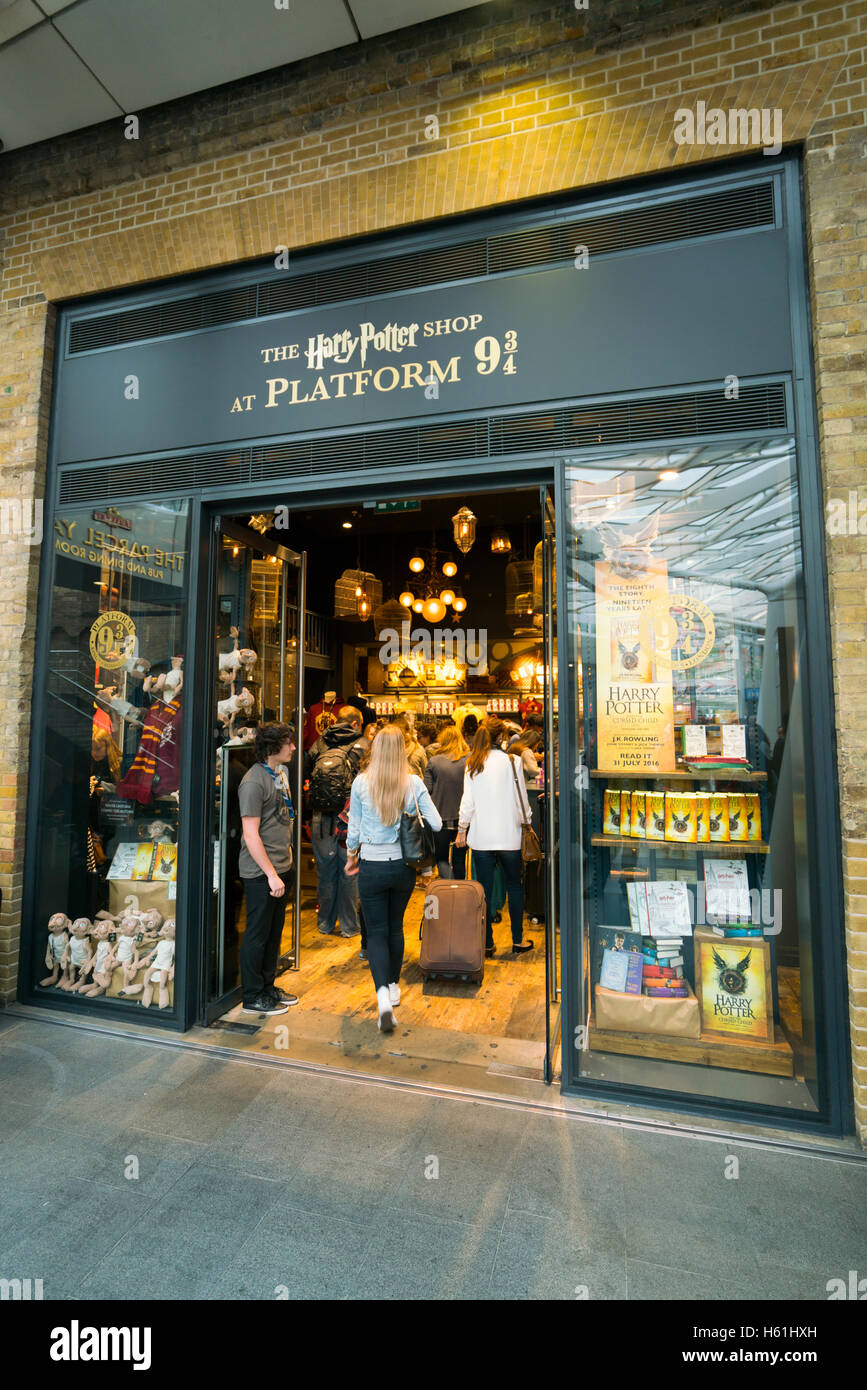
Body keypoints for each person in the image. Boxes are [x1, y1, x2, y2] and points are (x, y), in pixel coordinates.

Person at [346, 724, 441, 1032]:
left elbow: (354, 830)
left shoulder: (361, 783)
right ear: (403, 749)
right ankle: (394, 985)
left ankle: (383, 997)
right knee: (395, 927)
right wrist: (415, 812)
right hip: (402, 866)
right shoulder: (412, 782)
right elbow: (438, 825)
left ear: (376, 749)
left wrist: (351, 856)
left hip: (371, 865)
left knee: (375, 932)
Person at [456, 718, 534, 957]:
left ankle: (488, 943)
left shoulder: (473, 763)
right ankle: (518, 940)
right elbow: (521, 796)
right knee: (514, 886)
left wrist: (462, 828)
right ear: (501, 737)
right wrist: (527, 822)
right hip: (509, 834)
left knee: (485, 890)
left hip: (481, 838)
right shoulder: (514, 761)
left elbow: (467, 802)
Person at [238, 722, 300, 1014]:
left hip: (280, 865)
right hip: (261, 872)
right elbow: (250, 835)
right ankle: (252, 996)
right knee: (258, 933)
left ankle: (267, 986)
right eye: (289, 743)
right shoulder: (253, 782)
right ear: (274, 746)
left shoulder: (281, 773)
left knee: (275, 933)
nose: (293, 748)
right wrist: (271, 874)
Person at [305, 705, 368, 937]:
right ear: (355, 723)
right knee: (349, 871)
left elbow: (307, 772)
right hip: (349, 817)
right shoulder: (363, 745)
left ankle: (325, 924)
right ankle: (350, 926)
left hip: (321, 818)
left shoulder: (319, 743)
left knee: (325, 872)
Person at [423, 725, 469, 878]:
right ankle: (460, 893)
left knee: (441, 859)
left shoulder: (434, 761)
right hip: (463, 819)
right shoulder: (469, 760)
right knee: (460, 859)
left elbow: (426, 789)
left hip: (439, 818)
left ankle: (449, 889)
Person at [509, 728, 543, 836]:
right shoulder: (527, 751)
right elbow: (533, 771)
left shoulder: (515, 747)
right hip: (524, 787)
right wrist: (544, 771)